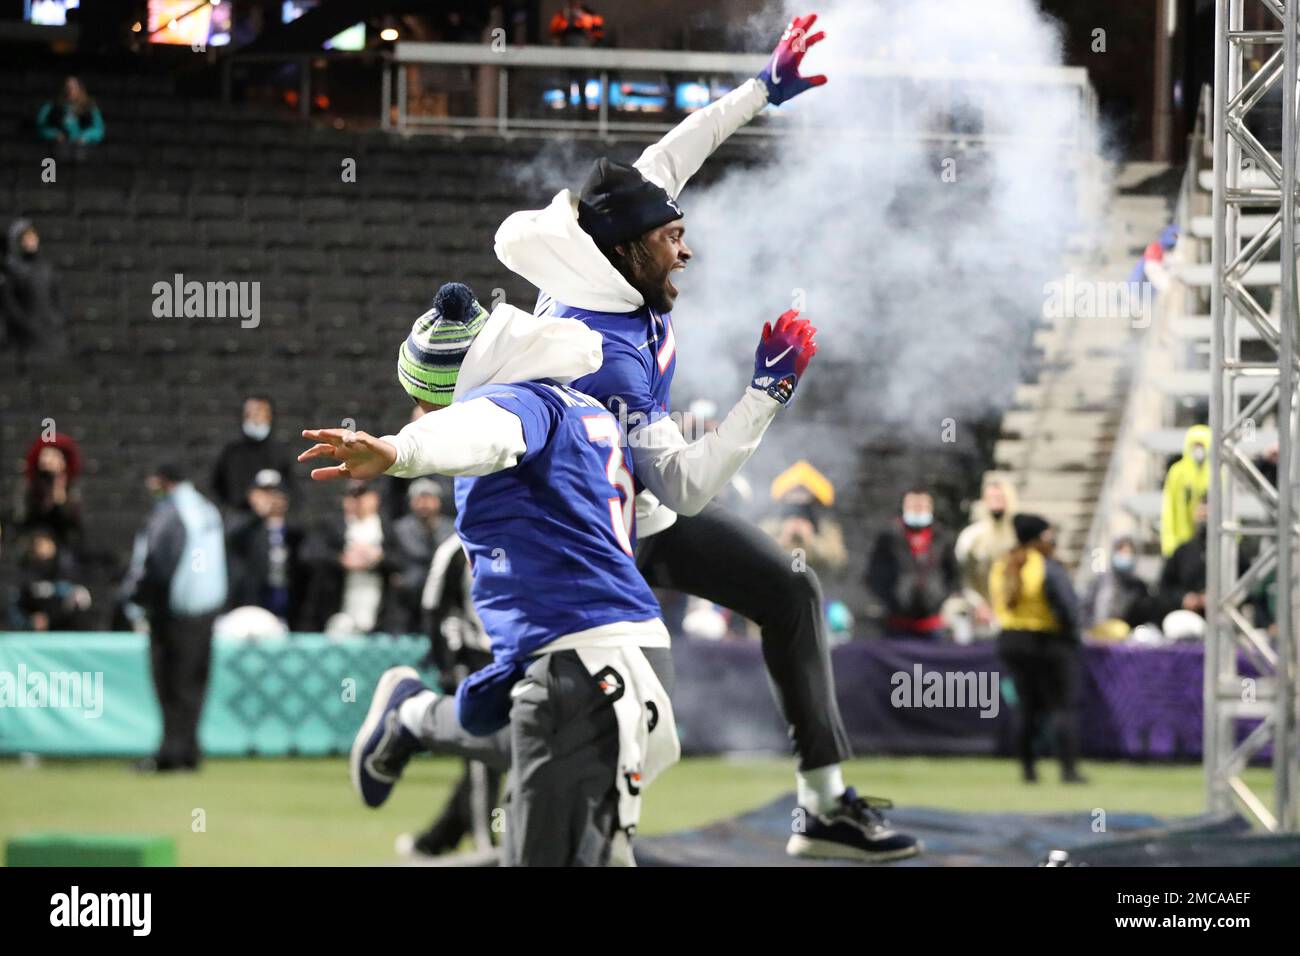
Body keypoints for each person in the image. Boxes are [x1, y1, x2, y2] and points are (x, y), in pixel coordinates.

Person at [495, 13, 919, 862]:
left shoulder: (612, 235)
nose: (685, 251)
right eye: (672, 237)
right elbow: (685, 484)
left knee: (791, 594)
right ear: (624, 251)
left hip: (633, 509)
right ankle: (440, 743)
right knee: (627, 718)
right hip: (594, 540)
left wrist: (766, 85)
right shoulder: (600, 352)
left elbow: (681, 146)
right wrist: (766, 391)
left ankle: (826, 806)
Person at [303, 282, 678, 866]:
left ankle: (413, 716)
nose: (420, 413)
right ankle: (414, 716)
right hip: (633, 649)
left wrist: (401, 450)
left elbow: (489, 428)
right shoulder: (584, 407)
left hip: (579, 657)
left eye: (425, 402)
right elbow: (649, 511)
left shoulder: (516, 405)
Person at [397, 532, 501, 859]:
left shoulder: (522, 529)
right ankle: (485, 843)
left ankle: (436, 840)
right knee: (483, 756)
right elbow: (434, 608)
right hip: (474, 660)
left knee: (503, 752)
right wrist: (447, 664)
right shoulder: (455, 548)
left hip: (516, 656)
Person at [119, 464, 227, 772]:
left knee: (170, 683)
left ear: (163, 481)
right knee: (193, 684)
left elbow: (159, 563)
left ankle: (171, 753)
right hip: (205, 611)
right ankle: (188, 750)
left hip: (174, 612)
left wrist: (139, 601)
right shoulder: (206, 510)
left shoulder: (171, 513)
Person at [989, 514, 1086, 785]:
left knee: (1026, 708)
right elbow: (1068, 606)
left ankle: (1028, 770)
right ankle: (1068, 770)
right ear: (1039, 536)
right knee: (1061, 707)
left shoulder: (1003, 564)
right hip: (1047, 641)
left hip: (1011, 641)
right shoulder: (1046, 565)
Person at [299, 482, 396, 635]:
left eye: (362, 496)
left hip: (377, 600)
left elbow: (400, 560)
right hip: (338, 600)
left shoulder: (387, 526)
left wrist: (377, 557)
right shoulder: (331, 524)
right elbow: (309, 553)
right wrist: (342, 559)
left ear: (374, 499)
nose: (358, 502)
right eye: (352, 497)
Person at [866, 488, 960, 638]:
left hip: (933, 623)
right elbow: (874, 574)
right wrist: (891, 600)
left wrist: (940, 598)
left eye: (921, 506)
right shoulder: (888, 538)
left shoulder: (942, 537)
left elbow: (953, 574)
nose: (917, 510)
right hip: (897, 623)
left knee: (928, 662)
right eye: (913, 506)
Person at [224, 469, 305, 627]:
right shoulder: (244, 528)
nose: (270, 498)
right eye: (264, 493)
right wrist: (258, 514)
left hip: (286, 608)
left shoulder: (296, 533)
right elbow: (233, 537)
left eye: (275, 492)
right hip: (250, 609)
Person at [954, 478, 1019, 637]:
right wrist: (977, 604)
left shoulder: (1018, 536)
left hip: (1014, 613)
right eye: (991, 498)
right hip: (980, 614)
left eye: (1000, 498)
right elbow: (962, 576)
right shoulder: (971, 537)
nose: (995, 504)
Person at [211, 395, 297, 512]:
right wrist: (250, 498)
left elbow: (293, 489)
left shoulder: (280, 451)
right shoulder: (232, 452)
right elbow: (221, 489)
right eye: (251, 413)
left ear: (270, 416)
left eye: (262, 413)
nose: (257, 418)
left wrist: (279, 500)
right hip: (240, 522)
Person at [386, 478, 450, 634]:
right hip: (410, 591)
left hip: (444, 587)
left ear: (438, 501)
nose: (424, 504)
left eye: (428, 498)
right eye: (419, 499)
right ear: (411, 502)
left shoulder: (451, 529)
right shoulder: (400, 529)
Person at [2, 219, 66, 370]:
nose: (32, 241)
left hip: (49, 330)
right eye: (27, 238)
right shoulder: (9, 271)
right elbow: (10, 305)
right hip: (23, 335)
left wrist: (56, 318)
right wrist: (28, 324)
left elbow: (58, 297)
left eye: (33, 237)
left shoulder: (46, 269)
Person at [15, 432, 84, 554]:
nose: (48, 460)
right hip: (33, 544)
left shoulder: (70, 488)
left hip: (62, 546)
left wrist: (60, 496)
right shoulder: (30, 486)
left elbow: (74, 527)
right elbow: (23, 519)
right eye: (46, 455)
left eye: (54, 456)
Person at [1081, 535, 1159, 634]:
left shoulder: (1138, 586)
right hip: (1096, 634)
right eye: (1122, 551)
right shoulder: (1100, 581)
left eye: (1129, 552)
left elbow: (1144, 615)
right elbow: (1085, 608)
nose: (1125, 556)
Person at [1161, 424, 1211, 557]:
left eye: (1202, 445)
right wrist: (1169, 542)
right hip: (1182, 543)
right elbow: (1169, 509)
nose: (1198, 450)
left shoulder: (1217, 473)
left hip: (1210, 543)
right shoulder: (1177, 472)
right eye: (1195, 445)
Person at [1160, 500, 1208, 622]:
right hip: (1187, 617)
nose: (1204, 520)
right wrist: (1184, 598)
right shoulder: (1183, 551)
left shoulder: (1231, 551)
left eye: (1207, 516)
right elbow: (1165, 587)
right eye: (1201, 516)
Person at [36, 76, 105, 157]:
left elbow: (98, 128)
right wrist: (54, 134)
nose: (70, 90)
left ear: (80, 89)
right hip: (59, 145)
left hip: (83, 146)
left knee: (79, 153)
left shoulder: (89, 106)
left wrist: (85, 136)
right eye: (67, 87)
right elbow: (41, 125)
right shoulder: (52, 105)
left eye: (73, 87)